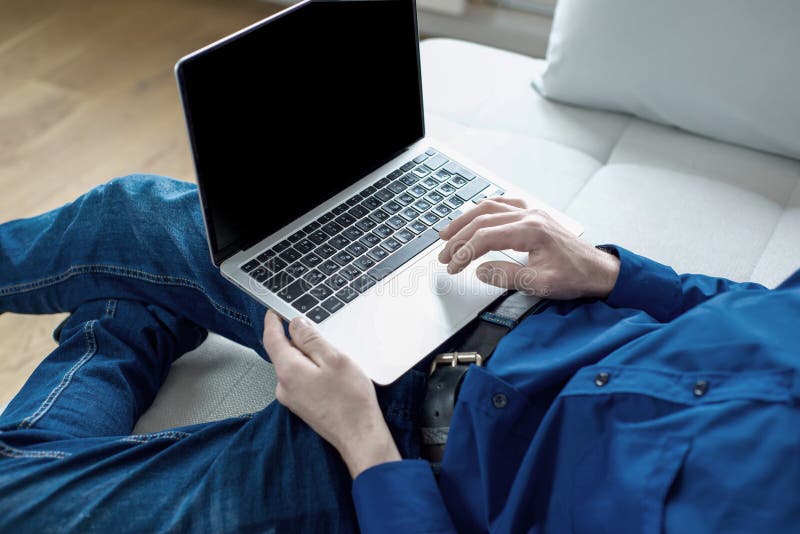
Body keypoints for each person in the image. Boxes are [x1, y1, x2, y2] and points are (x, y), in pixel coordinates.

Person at [0, 174, 797, 533]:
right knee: (125, 211)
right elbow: (755, 308)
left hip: (388, 468)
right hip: (479, 299)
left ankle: (128, 319)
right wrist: (611, 272)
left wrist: (361, 442)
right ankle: (141, 305)